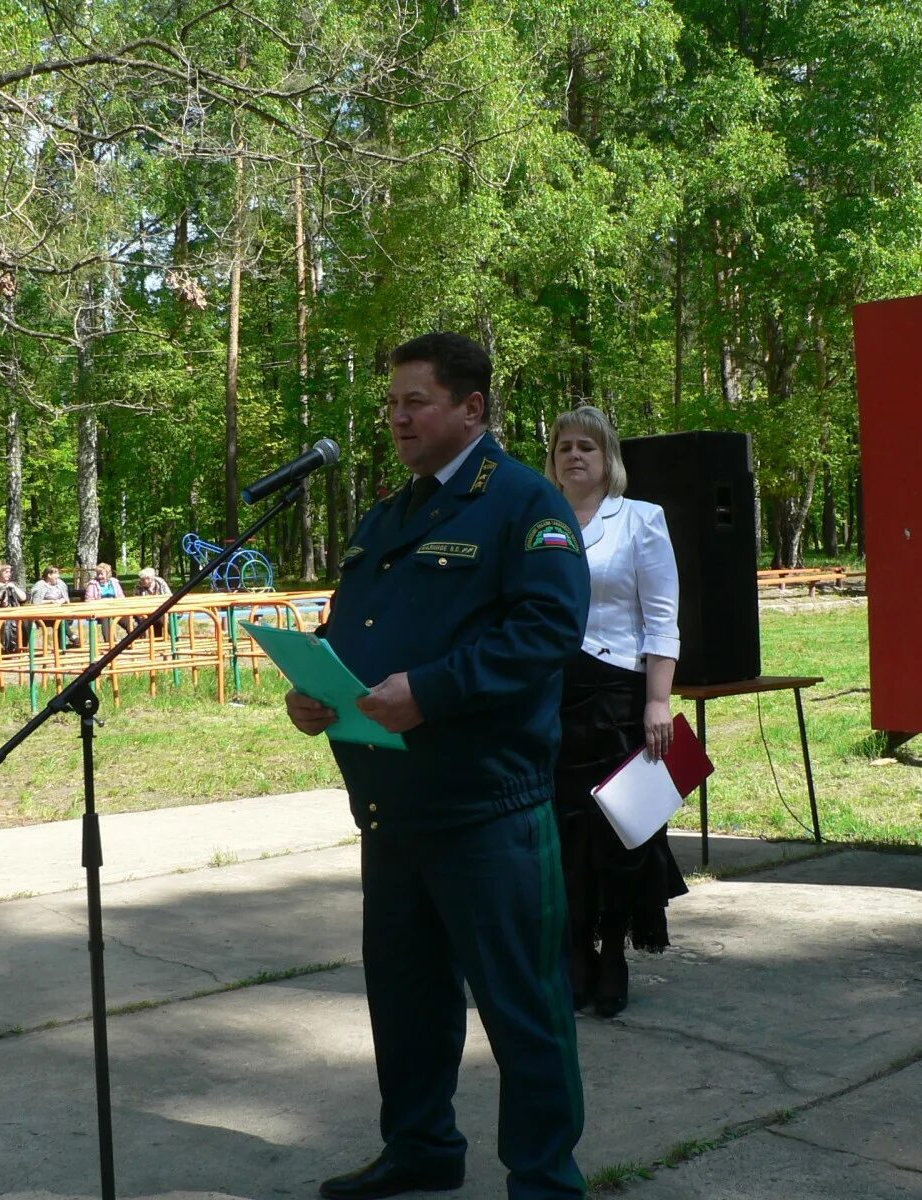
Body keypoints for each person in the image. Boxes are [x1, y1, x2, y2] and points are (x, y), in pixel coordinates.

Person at [284, 332, 591, 1200]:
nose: (397, 419)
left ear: (471, 408)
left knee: (521, 1007)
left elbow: (545, 634)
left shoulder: (524, 505)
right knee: (407, 1001)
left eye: (415, 402)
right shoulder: (390, 515)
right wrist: (315, 691)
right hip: (392, 806)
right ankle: (420, 1147)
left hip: (488, 807)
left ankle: (544, 1178)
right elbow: (355, 632)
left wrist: (433, 691)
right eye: (391, 404)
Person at [545, 405, 687, 1018]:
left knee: (618, 831)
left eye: (588, 447)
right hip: (550, 694)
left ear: (609, 461)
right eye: (564, 447)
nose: (575, 456)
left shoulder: (641, 521)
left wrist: (659, 699)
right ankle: (573, 946)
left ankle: (613, 952)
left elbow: (662, 617)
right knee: (563, 831)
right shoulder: (536, 522)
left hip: (618, 696)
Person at [27, 564, 73, 649]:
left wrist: (60, 601)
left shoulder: (60, 583)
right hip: (43, 615)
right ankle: (71, 637)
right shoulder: (40, 585)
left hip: (59, 612)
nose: (58, 576)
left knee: (61, 619)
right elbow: (36, 602)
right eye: (56, 573)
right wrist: (50, 602)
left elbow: (65, 598)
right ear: (49, 575)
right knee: (60, 620)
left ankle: (61, 648)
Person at [83, 561, 127, 643]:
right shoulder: (92, 584)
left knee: (127, 620)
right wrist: (102, 602)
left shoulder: (115, 582)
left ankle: (132, 640)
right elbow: (88, 601)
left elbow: (121, 597)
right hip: (100, 610)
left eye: (102, 574)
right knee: (105, 618)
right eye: (98, 574)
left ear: (108, 574)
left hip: (116, 608)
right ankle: (109, 643)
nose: (99, 576)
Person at [134, 566, 172, 639]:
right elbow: (137, 600)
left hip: (162, 608)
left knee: (163, 618)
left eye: (143, 580)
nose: (142, 581)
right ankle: (155, 643)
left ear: (150, 579)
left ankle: (174, 638)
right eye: (141, 579)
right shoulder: (138, 586)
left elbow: (169, 596)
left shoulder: (160, 583)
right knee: (149, 619)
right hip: (146, 611)